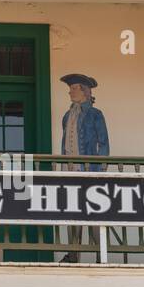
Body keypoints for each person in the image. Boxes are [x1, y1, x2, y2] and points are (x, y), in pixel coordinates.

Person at [60, 73, 109, 263]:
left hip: (90, 172)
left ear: (85, 92)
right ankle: (74, 254)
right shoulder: (67, 116)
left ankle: (100, 256)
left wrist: (100, 170)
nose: (70, 92)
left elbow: (103, 144)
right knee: (73, 214)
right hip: (72, 172)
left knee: (93, 215)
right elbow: (65, 143)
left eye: (74, 88)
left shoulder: (95, 115)